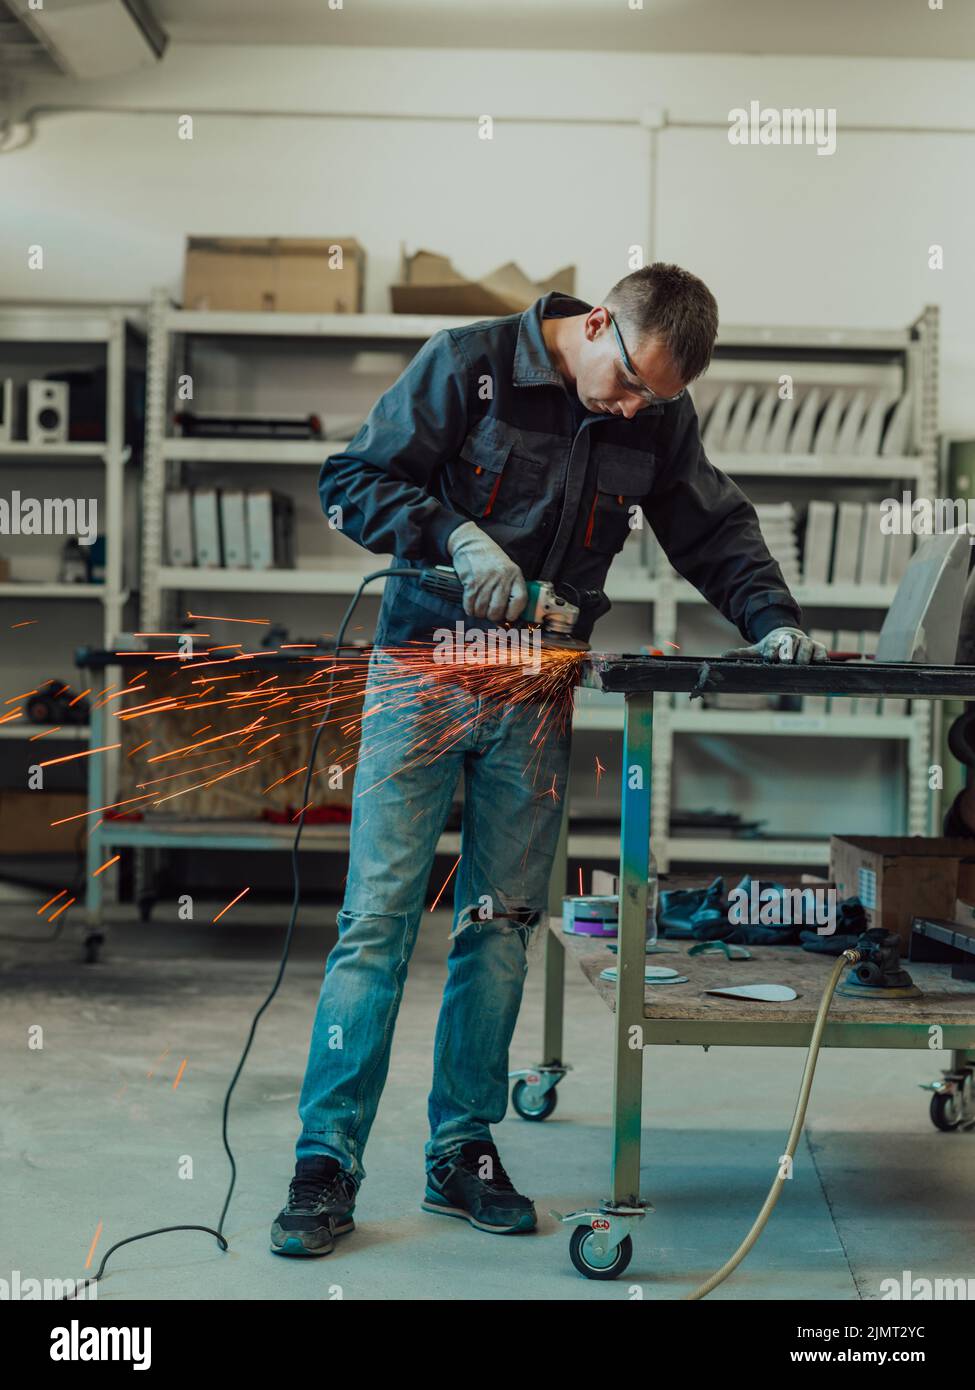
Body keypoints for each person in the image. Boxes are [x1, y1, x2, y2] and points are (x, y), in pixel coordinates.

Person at [270, 263, 827, 1258]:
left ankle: (462, 1148)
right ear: (600, 322)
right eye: (628, 385)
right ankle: (327, 1158)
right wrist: (454, 535)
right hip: (424, 667)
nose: (635, 410)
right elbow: (351, 480)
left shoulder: (656, 405)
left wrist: (773, 620)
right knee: (379, 919)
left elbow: (711, 523)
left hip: (534, 684)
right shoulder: (469, 364)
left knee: (500, 923)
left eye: (657, 400)